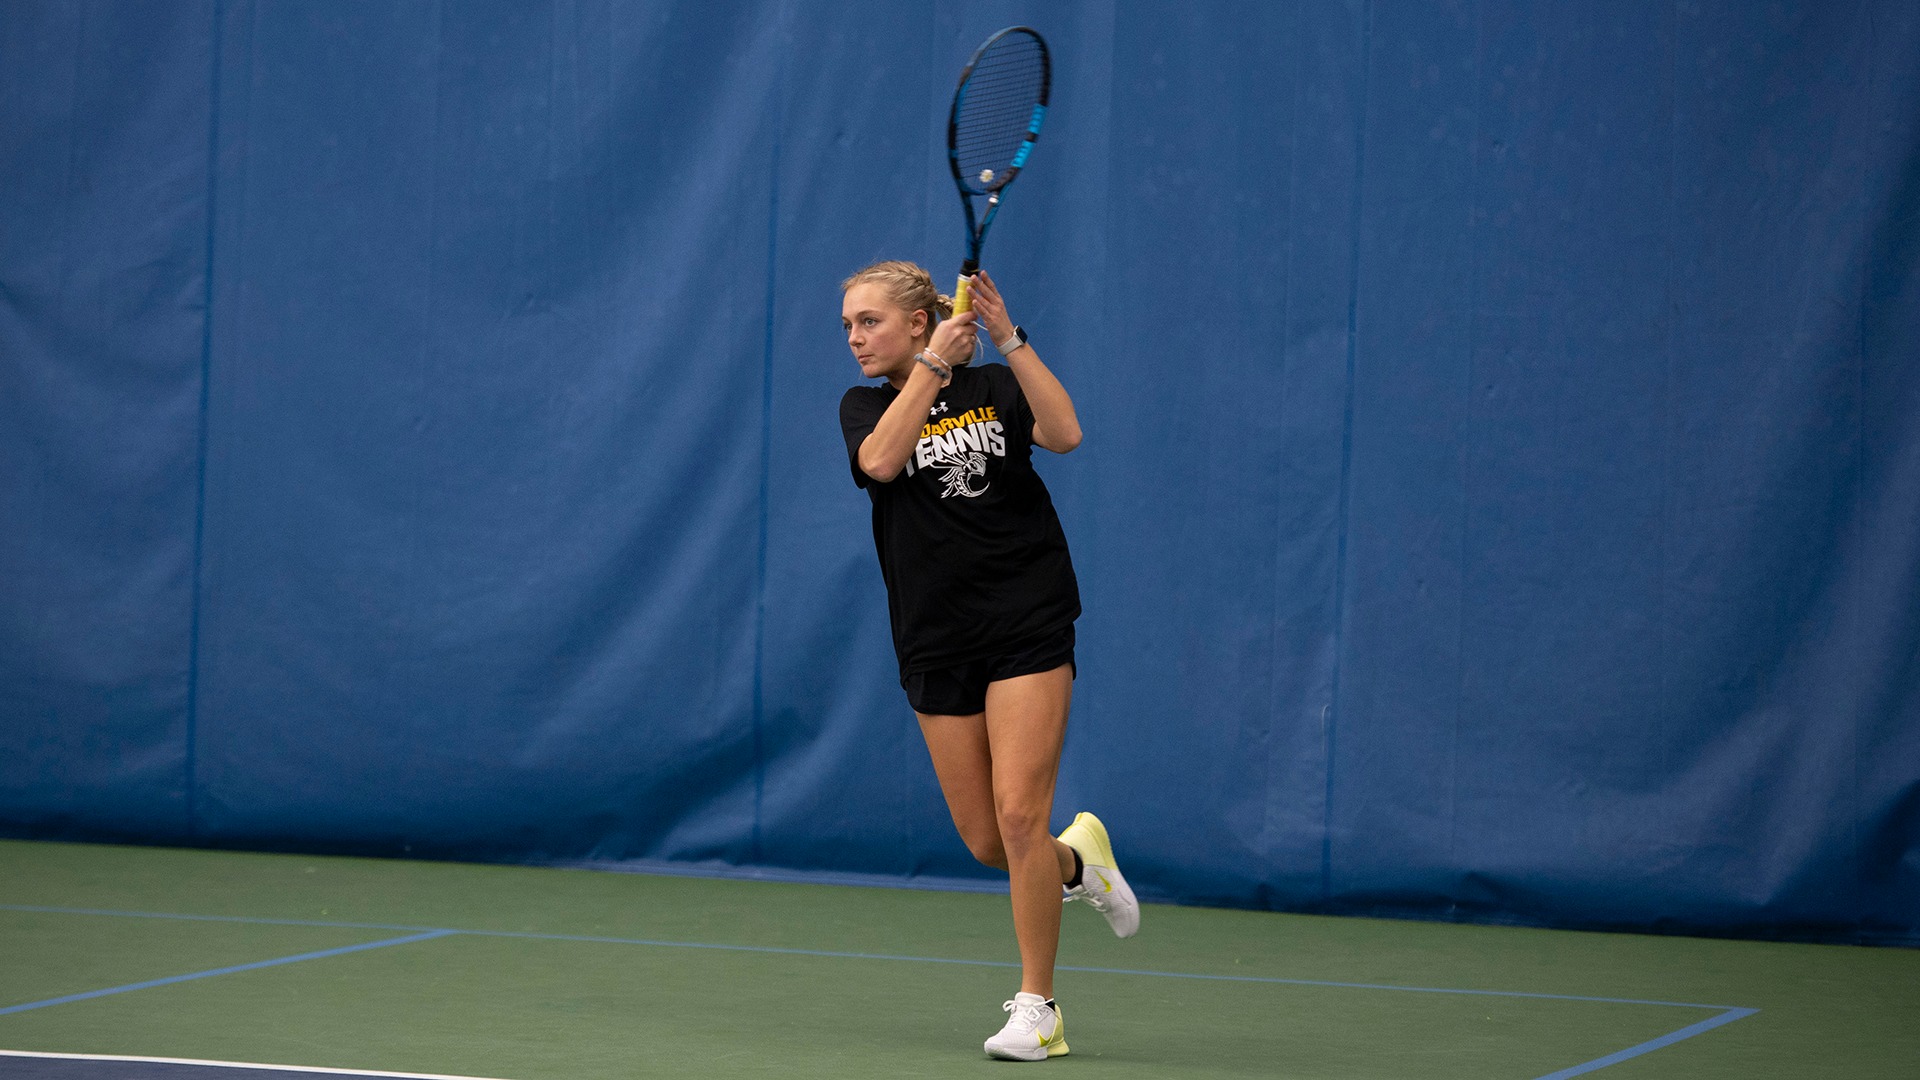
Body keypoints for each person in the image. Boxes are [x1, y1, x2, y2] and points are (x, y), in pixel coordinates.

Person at [837, 260, 1140, 1061]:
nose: (856, 338)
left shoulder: (997, 392)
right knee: (989, 843)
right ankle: (1078, 863)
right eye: (848, 326)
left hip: (1026, 621)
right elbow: (881, 462)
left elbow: (1067, 434)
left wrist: (1008, 338)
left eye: (869, 321)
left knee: (1017, 816)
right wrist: (934, 364)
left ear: (913, 320)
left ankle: (1038, 1009)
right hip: (936, 640)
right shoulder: (865, 407)